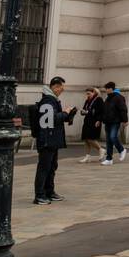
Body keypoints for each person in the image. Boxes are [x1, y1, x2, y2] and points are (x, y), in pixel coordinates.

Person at [30, 76, 77, 205]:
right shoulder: (48, 101)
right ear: (55, 87)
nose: (62, 90)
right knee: (44, 167)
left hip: (51, 138)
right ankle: (39, 195)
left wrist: (68, 114)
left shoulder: (51, 100)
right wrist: (65, 113)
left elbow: (53, 118)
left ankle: (49, 192)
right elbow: (51, 120)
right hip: (47, 139)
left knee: (51, 166)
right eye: (61, 88)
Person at [101, 82, 128, 165]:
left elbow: (123, 109)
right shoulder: (107, 98)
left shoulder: (119, 98)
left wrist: (125, 120)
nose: (106, 90)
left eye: (107, 89)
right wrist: (102, 119)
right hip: (107, 121)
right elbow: (105, 110)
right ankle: (109, 159)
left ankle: (122, 150)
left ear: (111, 89)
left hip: (115, 121)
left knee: (113, 137)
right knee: (108, 141)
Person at [79, 87, 104, 162]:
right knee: (86, 139)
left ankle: (101, 149)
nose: (87, 95)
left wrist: (99, 120)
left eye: (89, 93)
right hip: (87, 121)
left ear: (94, 93)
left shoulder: (98, 99)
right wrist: (82, 112)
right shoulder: (87, 100)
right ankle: (87, 156)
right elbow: (85, 109)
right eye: (86, 94)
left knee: (91, 138)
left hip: (95, 121)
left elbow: (101, 111)